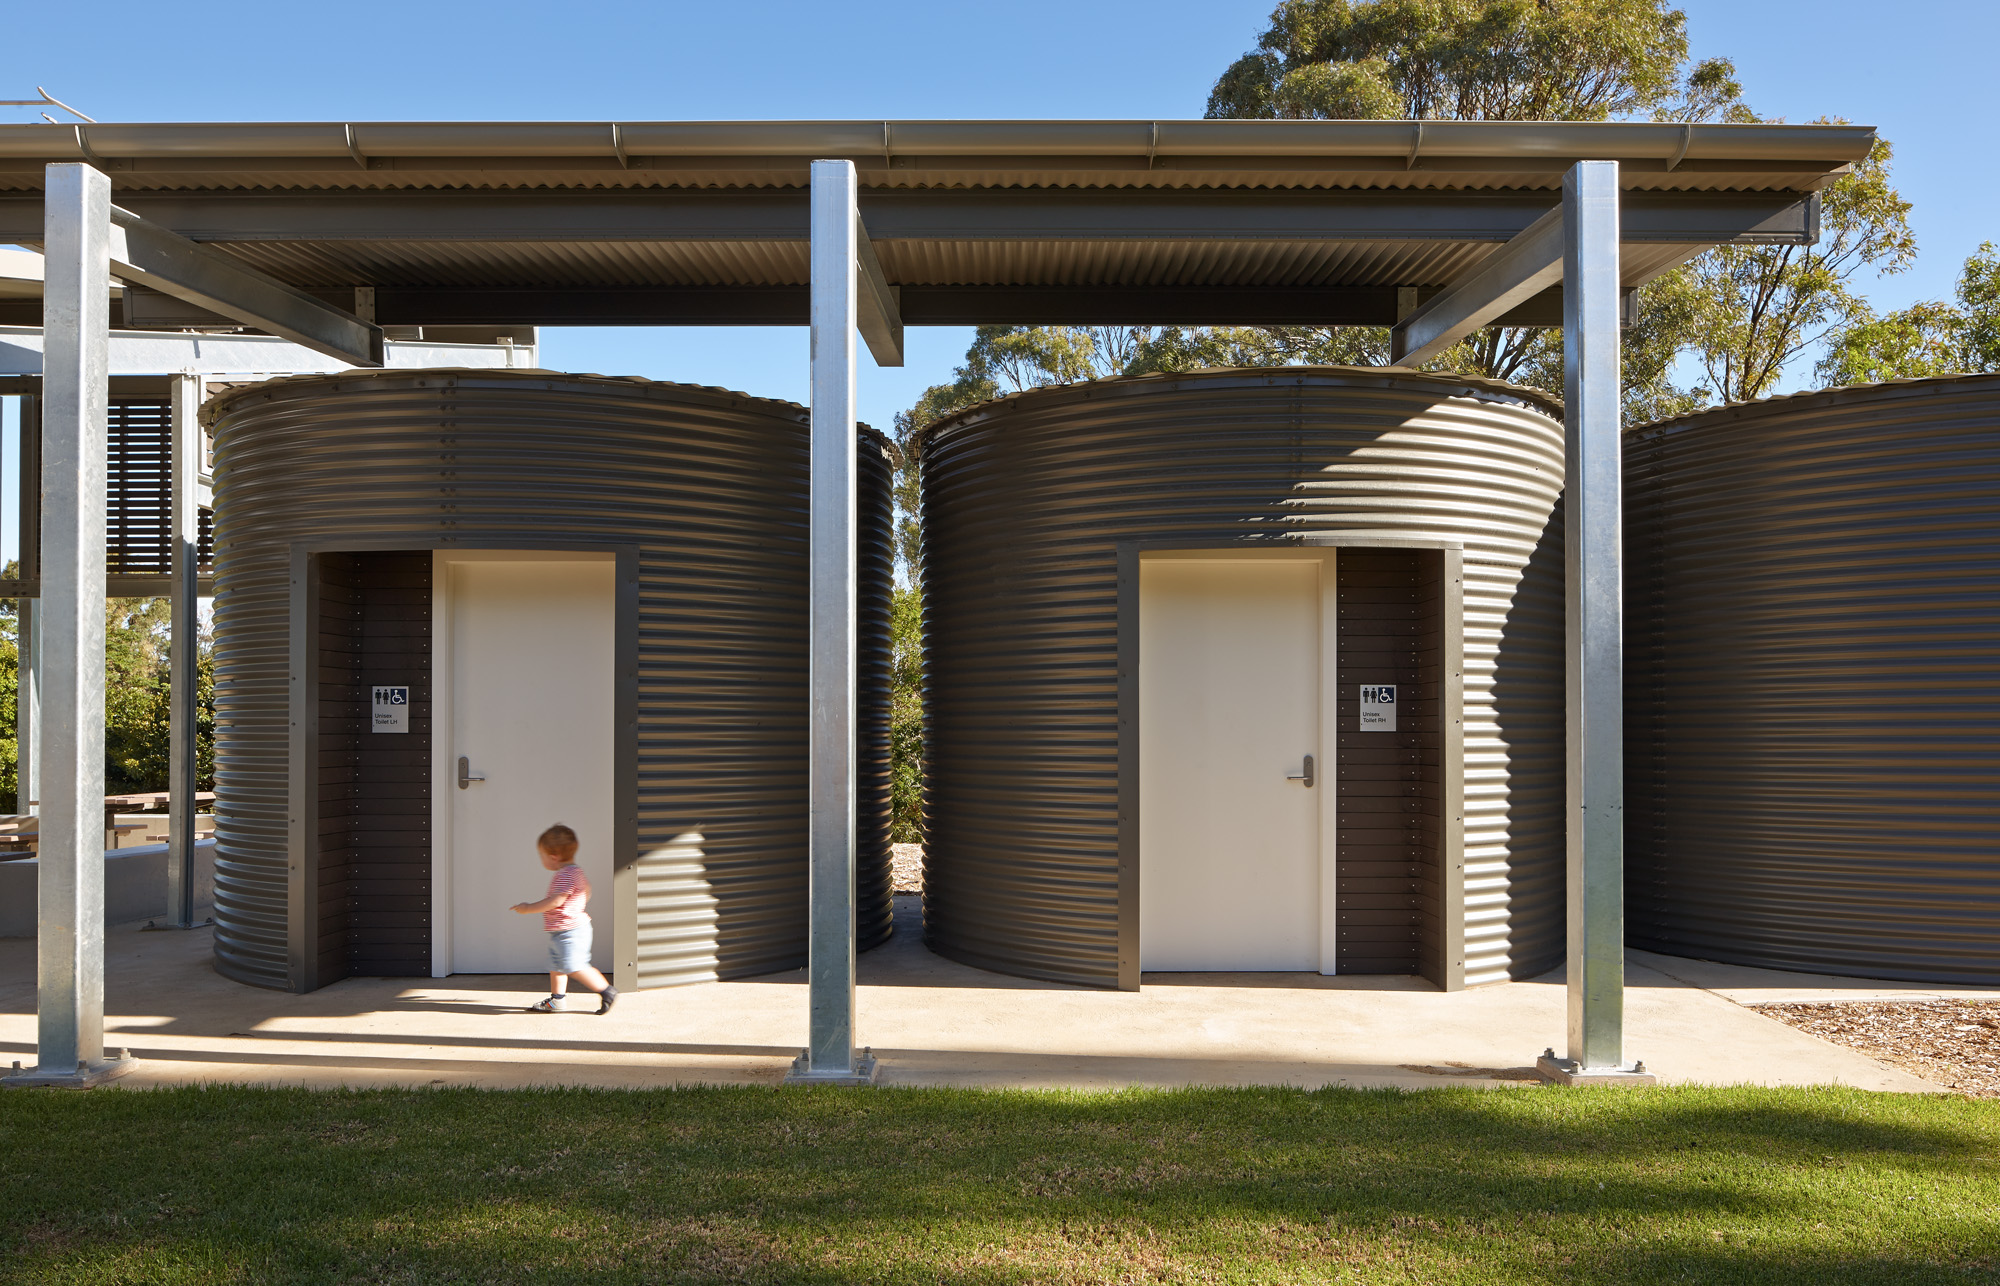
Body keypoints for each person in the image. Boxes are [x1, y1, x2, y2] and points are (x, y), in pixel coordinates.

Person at [510, 823, 618, 1014]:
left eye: (541, 856)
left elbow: (555, 901)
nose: (541, 860)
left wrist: (529, 908)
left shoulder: (565, 875)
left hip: (571, 931)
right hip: (564, 930)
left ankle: (606, 991)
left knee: (574, 966)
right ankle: (557, 1000)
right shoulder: (576, 871)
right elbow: (587, 891)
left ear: (554, 857)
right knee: (557, 965)